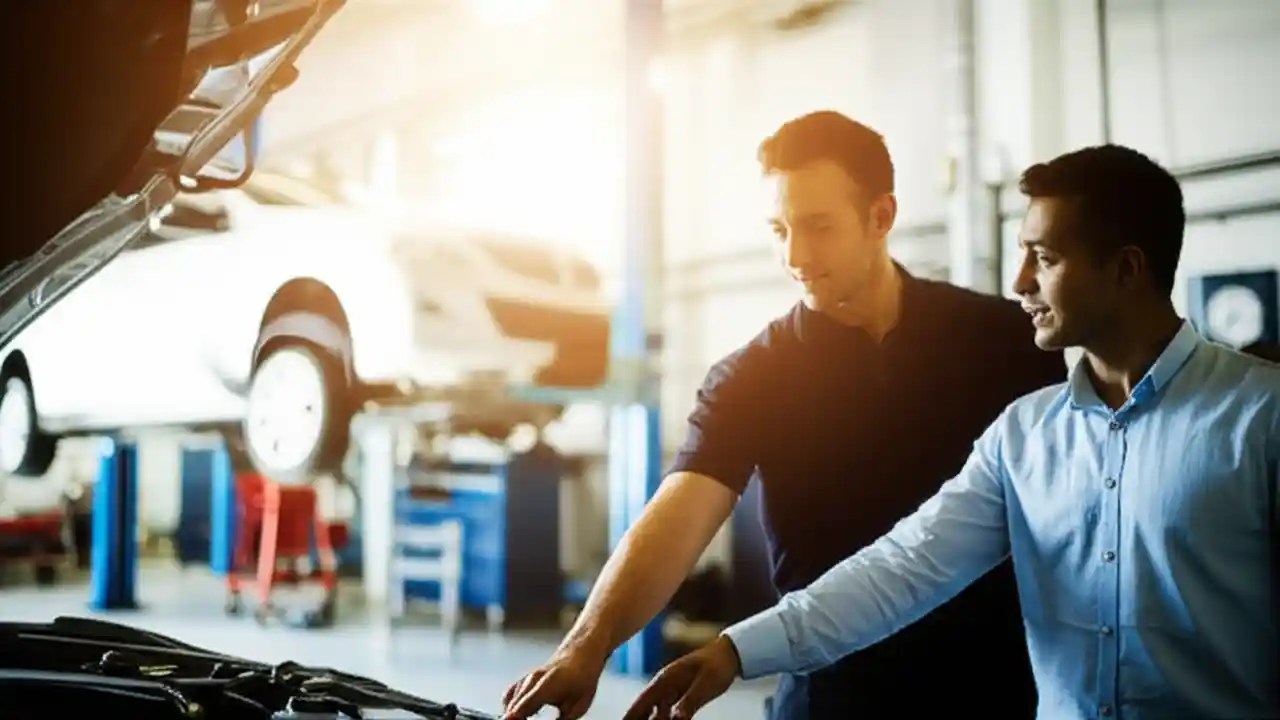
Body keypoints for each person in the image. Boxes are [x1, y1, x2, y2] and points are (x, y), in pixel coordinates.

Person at [622, 144, 1280, 720]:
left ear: (1126, 269)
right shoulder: (1023, 436)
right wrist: (737, 650)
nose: (1020, 282)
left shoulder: (1261, 418)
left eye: (1043, 258)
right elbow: (906, 565)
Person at [501, 110, 1066, 720]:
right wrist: (586, 648)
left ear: (881, 216)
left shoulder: (1002, 342)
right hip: (829, 700)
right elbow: (679, 517)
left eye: (818, 226)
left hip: (991, 693)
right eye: (779, 228)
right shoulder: (753, 377)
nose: (795, 255)